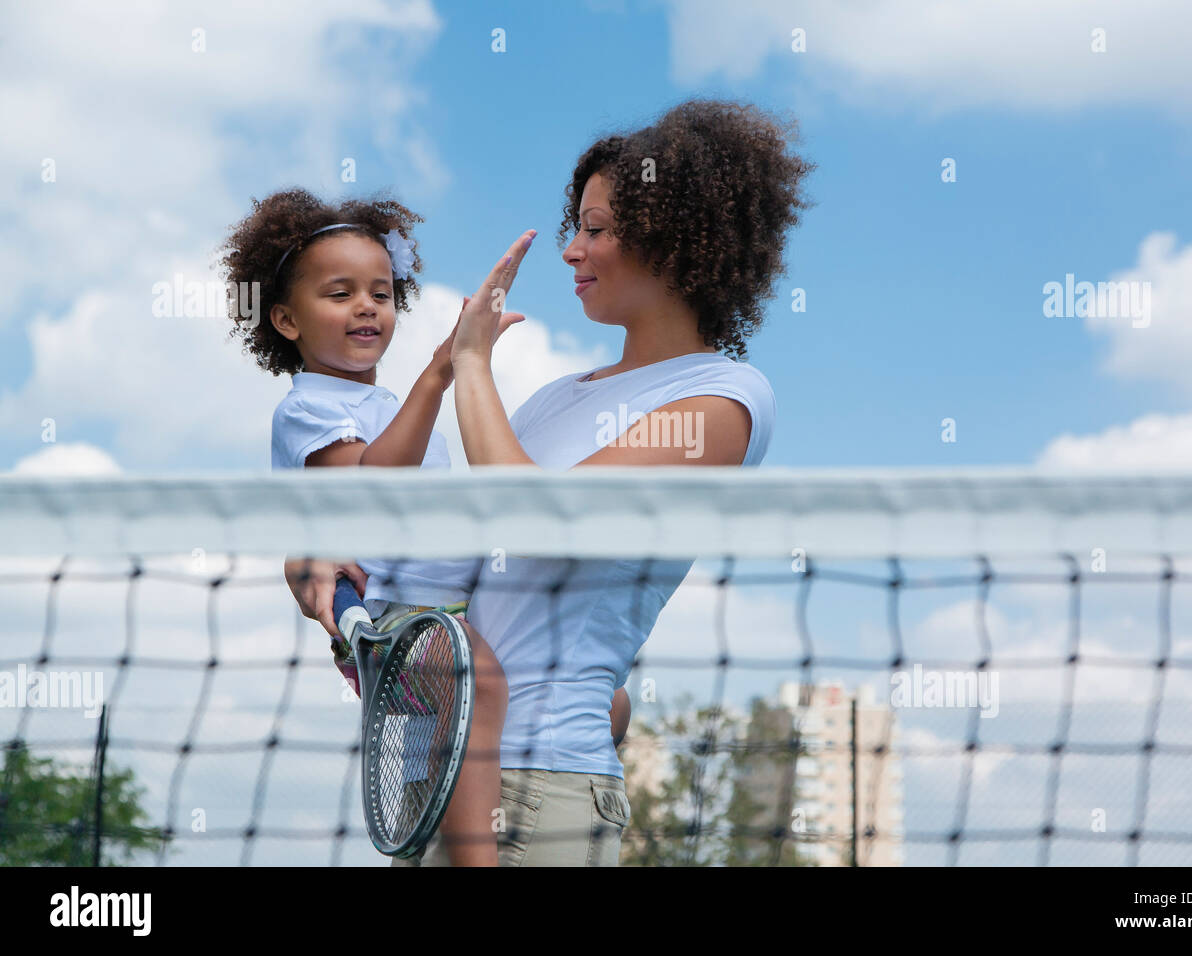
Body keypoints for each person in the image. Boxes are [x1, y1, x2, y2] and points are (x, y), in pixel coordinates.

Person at [287, 99, 812, 865]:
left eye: (597, 229)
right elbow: (457, 565)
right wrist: (324, 565)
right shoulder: (551, 401)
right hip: (449, 778)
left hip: (543, 793)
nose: (572, 250)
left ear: (672, 237)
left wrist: (468, 362)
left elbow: (538, 519)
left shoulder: (722, 401)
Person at [223, 188, 516, 866]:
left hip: (449, 606)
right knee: (486, 685)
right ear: (287, 320)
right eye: (341, 293)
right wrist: (441, 374)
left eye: (381, 294)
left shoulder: (385, 402)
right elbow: (373, 480)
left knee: (610, 705)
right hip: (394, 622)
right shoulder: (307, 407)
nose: (367, 307)